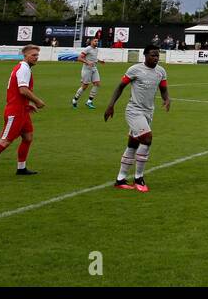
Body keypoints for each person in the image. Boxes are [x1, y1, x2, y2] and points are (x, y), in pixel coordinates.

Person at [105, 45, 171, 192]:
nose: (156, 58)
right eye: (153, 55)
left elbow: (163, 88)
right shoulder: (135, 69)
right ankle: (138, 178)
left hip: (149, 112)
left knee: (133, 144)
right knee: (147, 139)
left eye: (157, 56)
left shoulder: (161, 71)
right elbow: (120, 87)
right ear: (145, 55)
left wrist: (167, 99)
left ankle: (120, 179)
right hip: (134, 111)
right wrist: (111, 105)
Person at [0, 44, 45, 182]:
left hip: (22, 110)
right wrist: (37, 101)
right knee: (5, 141)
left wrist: (28, 105)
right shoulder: (23, 69)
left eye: (37, 55)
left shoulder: (24, 68)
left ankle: (21, 168)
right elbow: (23, 90)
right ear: (25, 56)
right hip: (15, 112)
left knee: (28, 137)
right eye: (33, 55)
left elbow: (20, 92)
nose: (36, 58)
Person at [71, 35, 104, 109]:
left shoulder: (96, 49)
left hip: (94, 68)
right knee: (85, 86)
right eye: (95, 41)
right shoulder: (87, 49)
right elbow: (79, 58)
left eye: (97, 41)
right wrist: (87, 62)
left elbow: (93, 58)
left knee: (97, 83)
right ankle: (74, 100)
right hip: (86, 69)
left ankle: (89, 101)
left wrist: (99, 61)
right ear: (91, 42)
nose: (97, 42)